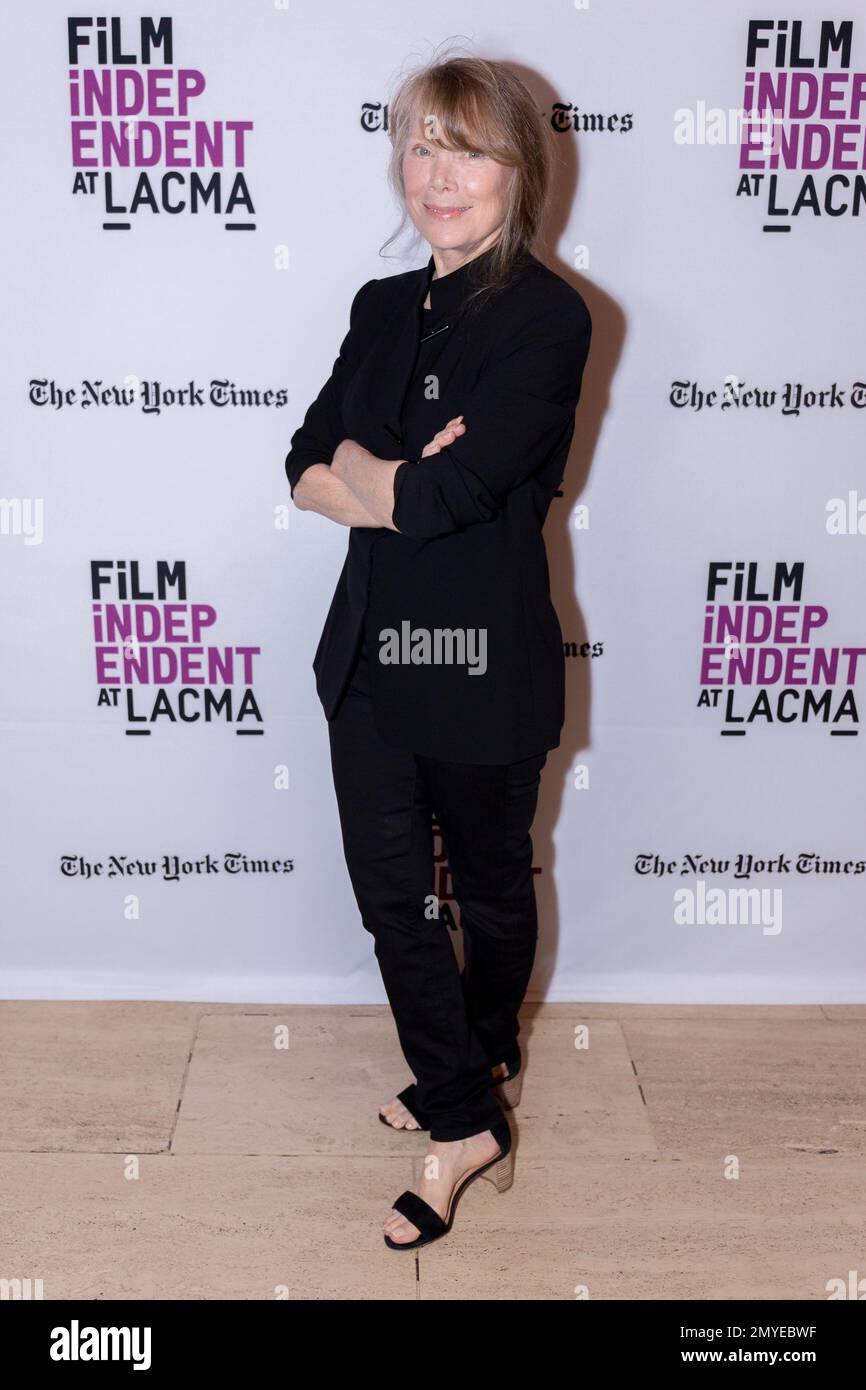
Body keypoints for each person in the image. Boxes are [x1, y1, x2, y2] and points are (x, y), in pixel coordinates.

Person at [284, 55, 592, 1250]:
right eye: (420, 146)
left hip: (477, 660)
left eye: (466, 149)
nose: (438, 175)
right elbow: (306, 461)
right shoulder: (376, 308)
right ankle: (464, 1113)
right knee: (390, 899)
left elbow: (453, 492)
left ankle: (481, 1054)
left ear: (518, 169)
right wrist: (383, 479)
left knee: (493, 886)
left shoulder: (548, 316)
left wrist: (381, 475)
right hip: (368, 653)